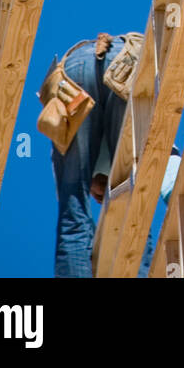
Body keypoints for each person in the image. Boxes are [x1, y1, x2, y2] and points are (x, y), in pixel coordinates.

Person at [47, 32, 156, 278]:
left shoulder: (95, 154)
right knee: (136, 201)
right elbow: (164, 155)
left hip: (71, 71)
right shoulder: (108, 153)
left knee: (74, 210)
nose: (100, 195)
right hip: (126, 59)